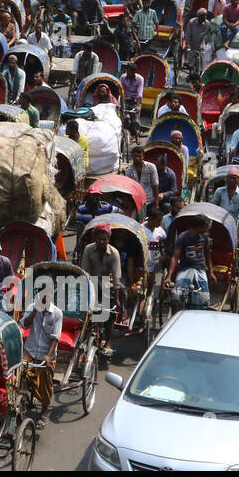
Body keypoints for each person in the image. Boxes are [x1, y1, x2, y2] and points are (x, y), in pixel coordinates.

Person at [21, 287, 63, 429]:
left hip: (47, 352)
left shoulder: (57, 313)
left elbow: (55, 338)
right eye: (42, 296)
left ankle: (44, 411)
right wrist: (34, 311)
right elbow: (24, 324)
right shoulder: (32, 307)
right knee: (19, 371)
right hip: (30, 349)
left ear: (51, 297)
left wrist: (49, 355)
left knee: (45, 381)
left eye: (47, 296)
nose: (44, 299)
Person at [80, 226, 122, 358]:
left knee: (108, 312)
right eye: (99, 239)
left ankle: (108, 342)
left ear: (108, 239)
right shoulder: (88, 249)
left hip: (107, 285)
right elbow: (84, 272)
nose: (101, 242)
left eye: (104, 239)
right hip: (91, 283)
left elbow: (116, 277)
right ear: (95, 238)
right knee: (85, 311)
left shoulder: (114, 253)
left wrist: (117, 299)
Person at [168, 213, 211, 309]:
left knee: (203, 298)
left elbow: (207, 254)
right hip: (185, 269)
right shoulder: (182, 237)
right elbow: (175, 257)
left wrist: (211, 271)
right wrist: (169, 276)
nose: (207, 229)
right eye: (206, 226)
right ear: (199, 227)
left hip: (200, 269)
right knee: (177, 295)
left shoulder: (204, 237)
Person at [211, 166, 239, 249]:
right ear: (226, 179)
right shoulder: (219, 191)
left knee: (230, 248)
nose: (232, 180)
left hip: (233, 223)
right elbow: (213, 207)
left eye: (234, 178)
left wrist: (238, 232)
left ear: (238, 180)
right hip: (219, 221)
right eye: (230, 178)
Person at [126, 145, 161, 209]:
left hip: (150, 201)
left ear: (143, 156)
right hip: (136, 202)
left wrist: (157, 205)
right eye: (135, 156)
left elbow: (155, 186)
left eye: (139, 156)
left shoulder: (151, 167)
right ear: (132, 156)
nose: (137, 158)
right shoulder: (128, 171)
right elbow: (129, 189)